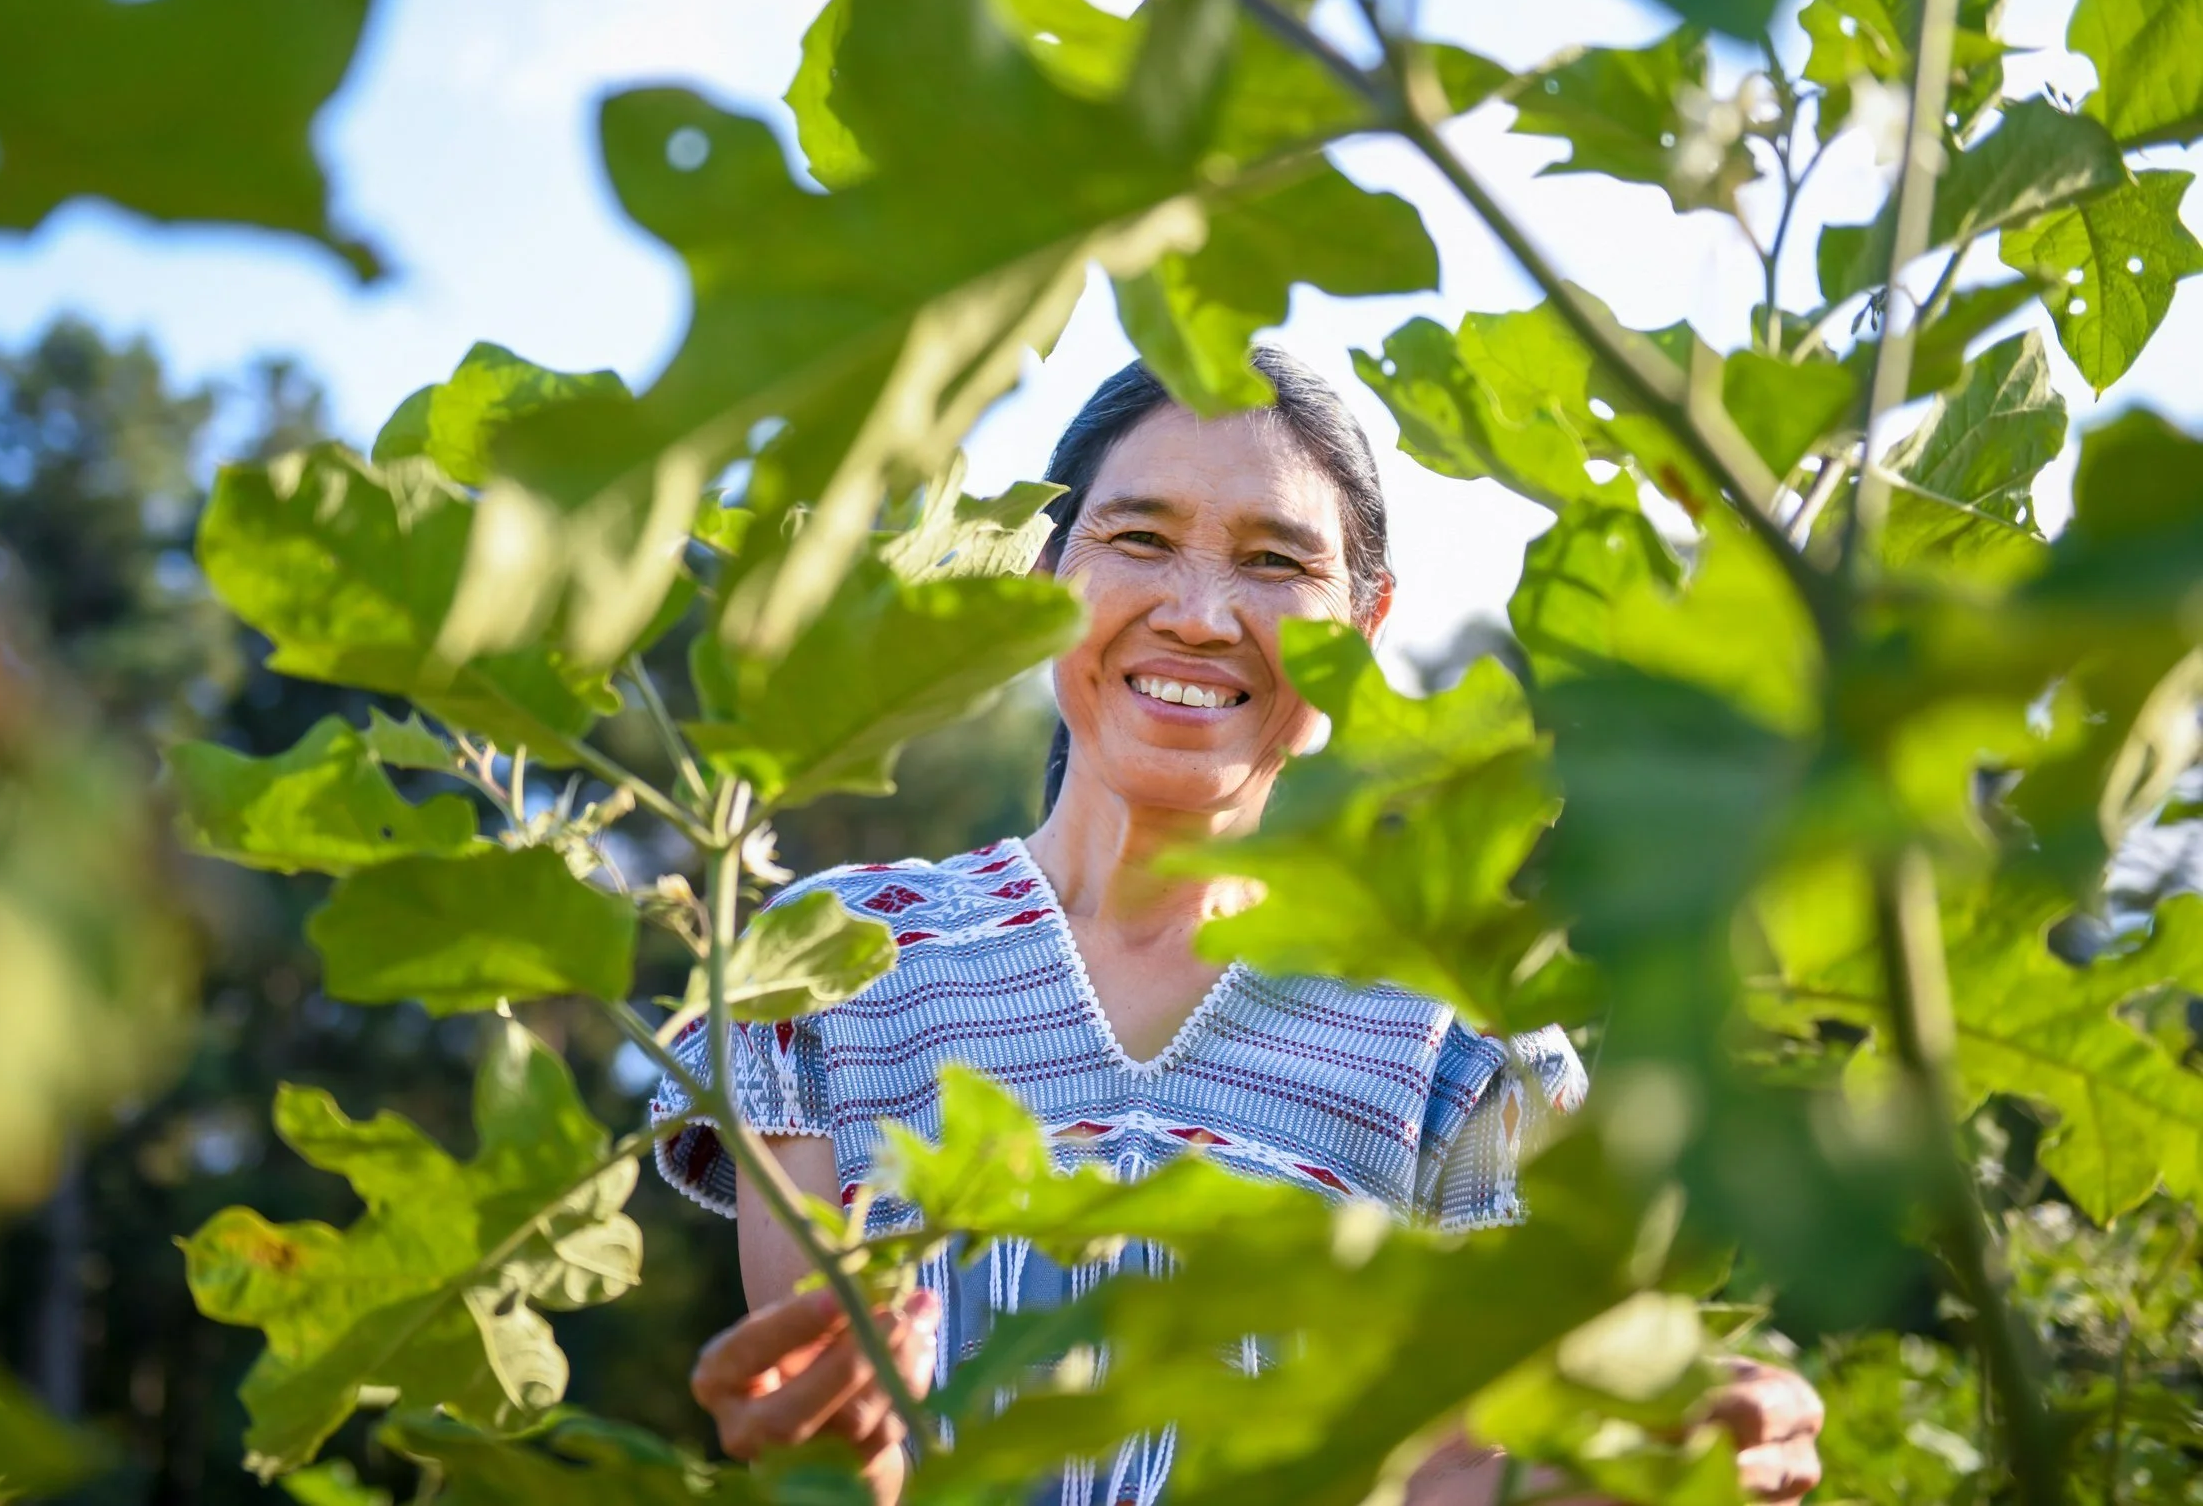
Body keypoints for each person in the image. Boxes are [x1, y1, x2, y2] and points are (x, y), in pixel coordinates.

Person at [655, 351, 1824, 1505]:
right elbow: (825, 1432)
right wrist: (843, 1447)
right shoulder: (831, 967)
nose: (1202, 616)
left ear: (1362, 626)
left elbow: (1456, 1472)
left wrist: (1643, 1467)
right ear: (1045, 572)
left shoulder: (1464, 1035)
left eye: (1274, 562)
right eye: (1140, 538)